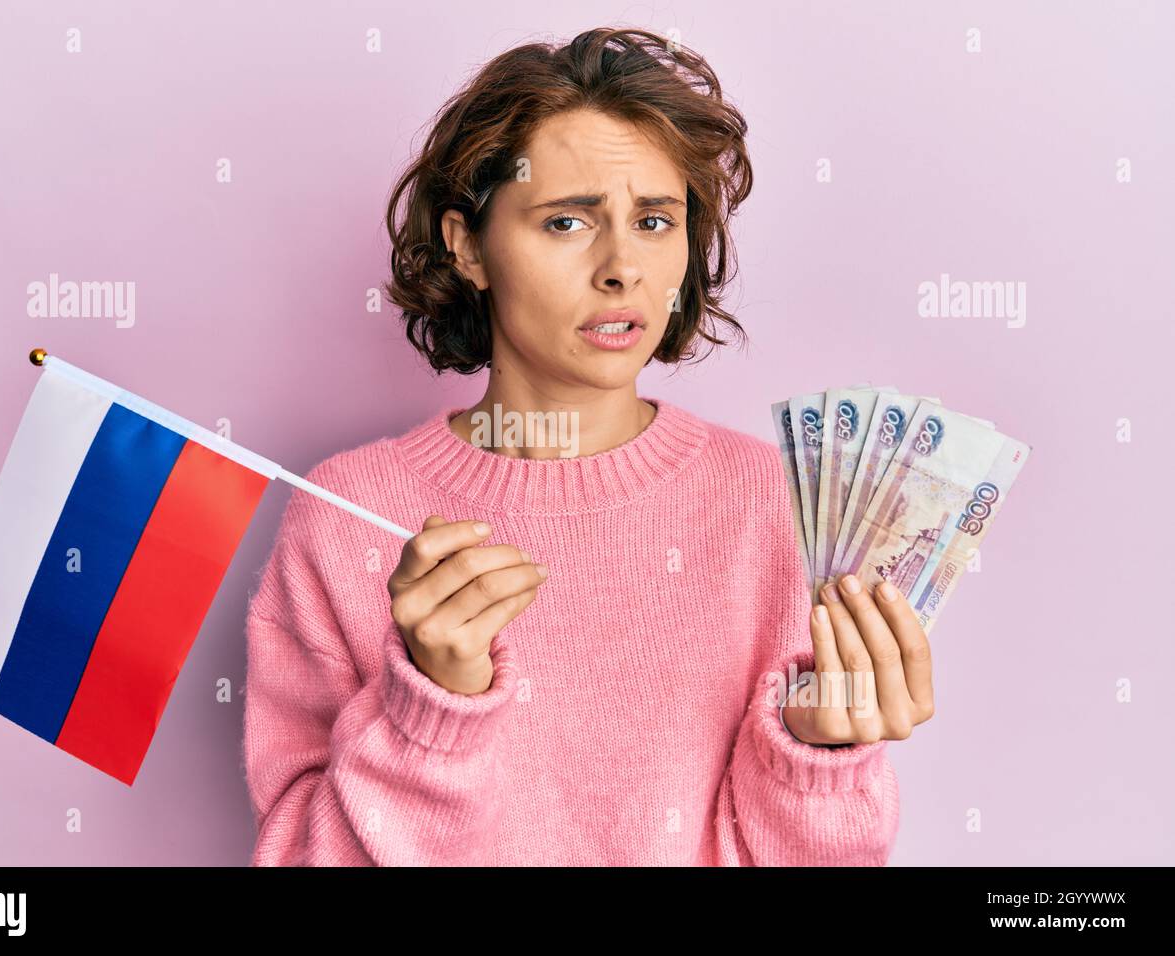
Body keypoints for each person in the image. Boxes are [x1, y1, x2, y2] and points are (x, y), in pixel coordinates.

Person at [241, 27, 932, 866]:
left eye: (653, 220)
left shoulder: (776, 502)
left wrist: (814, 754)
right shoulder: (346, 515)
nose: (621, 268)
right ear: (468, 245)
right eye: (566, 221)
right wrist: (431, 707)